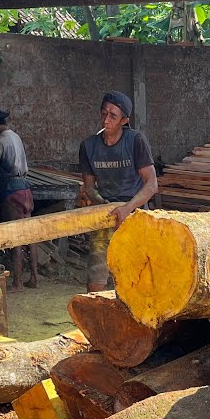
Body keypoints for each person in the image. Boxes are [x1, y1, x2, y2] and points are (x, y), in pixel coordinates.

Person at [78, 91, 158, 292]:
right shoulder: (88, 146)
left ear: (124, 120)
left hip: (135, 214)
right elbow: (88, 187)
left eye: (113, 116)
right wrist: (100, 203)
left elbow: (151, 184)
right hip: (104, 213)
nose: (106, 120)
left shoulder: (136, 141)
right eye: (103, 113)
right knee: (96, 278)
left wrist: (127, 208)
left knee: (136, 278)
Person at [0, 103, 37, 290]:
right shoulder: (15, 136)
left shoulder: (0, 141)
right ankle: (34, 279)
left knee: (15, 238)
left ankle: (18, 282)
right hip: (25, 188)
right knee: (30, 236)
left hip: (11, 190)